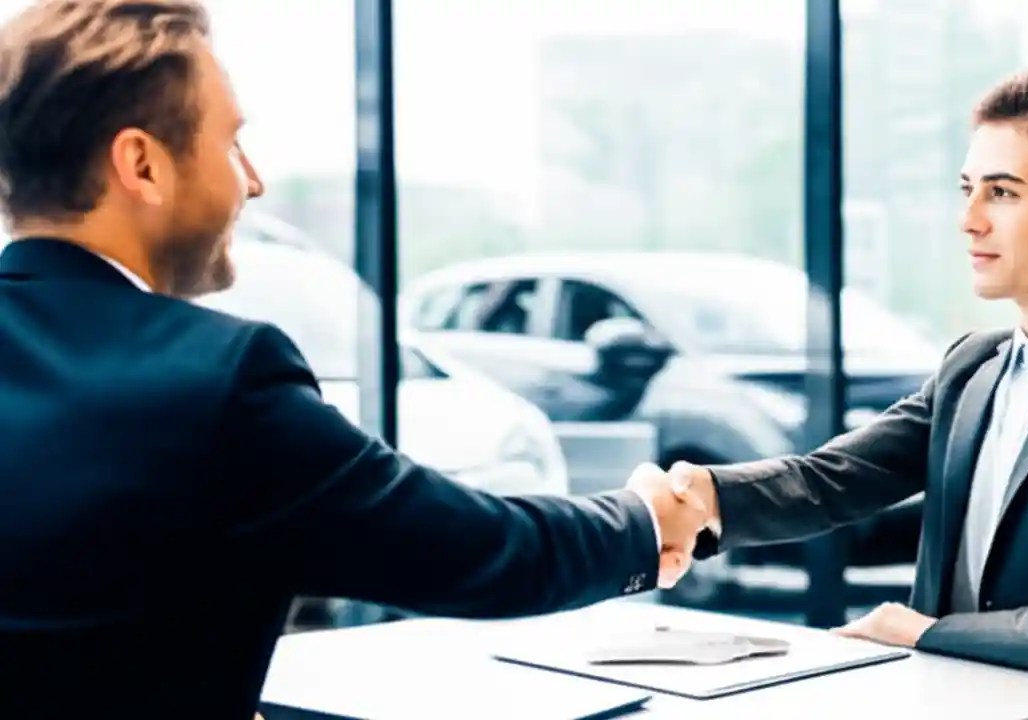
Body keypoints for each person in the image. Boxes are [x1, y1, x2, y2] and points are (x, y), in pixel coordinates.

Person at [0, 1, 705, 717]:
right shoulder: (216, 380)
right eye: (231, 143)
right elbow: (483, 551)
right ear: (142, 164)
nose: (253, 181)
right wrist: (648, 522)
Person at [660, 64, 1028, 685]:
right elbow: (835, 480)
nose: (970, 219)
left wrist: (917, 632)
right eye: (968, 189)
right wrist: (702, 494)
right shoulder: (972, 366)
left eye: (1003, 193)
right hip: (941, 696)